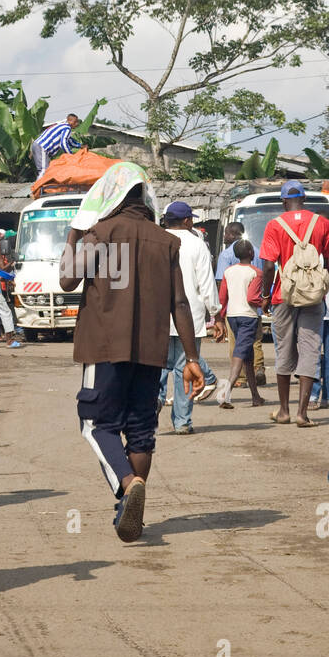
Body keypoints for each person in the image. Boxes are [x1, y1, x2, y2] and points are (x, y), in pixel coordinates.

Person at [59, 163, 203, 542]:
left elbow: (67, 279)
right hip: (151, 350)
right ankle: (131, 507)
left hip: (104, 346)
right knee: (140, 432)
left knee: (95, 424)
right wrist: (191, 359)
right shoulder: (167, 241)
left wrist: (76, 230)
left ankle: (126, 485)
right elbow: (180, 303)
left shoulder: (99, 234)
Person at [259, 180, 329, 427]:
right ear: (304, 198)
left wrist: (266, 295)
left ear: (283, 201)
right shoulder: (322, 223)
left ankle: (283, 411)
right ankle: (302, 413)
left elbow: (269, 265)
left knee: (284, 350)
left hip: (283, 296)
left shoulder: (274, 225)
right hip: (312, 296)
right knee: (310, 350)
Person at [159, 201, 220, 433]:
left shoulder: (156, 240)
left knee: (159, 364)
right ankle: (182, 422)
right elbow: (206, 282)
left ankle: (154, 401)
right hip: (190, 316)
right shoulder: (197, 244)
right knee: (185, 366)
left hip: (160, 315)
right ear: (187, 221)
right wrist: (215, 313)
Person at [214, 239, 265, 409]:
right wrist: (263, 303)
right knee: (239, 353)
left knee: (248, 357)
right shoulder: (256, 272)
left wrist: (219, 317)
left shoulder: (229, 271)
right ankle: (224, 393)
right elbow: (252, 298)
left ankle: (255, 396)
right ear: (252, 254)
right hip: (248, 316)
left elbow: (222, 297)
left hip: (232, 315)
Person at [31, 113, 84, 177]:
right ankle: (38, 186)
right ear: (69, 121)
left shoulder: (61, 125)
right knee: (44, 170)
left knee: (47, 169)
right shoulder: (67, 128)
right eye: (75, 122)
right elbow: (63, 143)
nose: (77, 124)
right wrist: (70, 155)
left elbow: (70, 141)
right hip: (42, 147)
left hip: (38, 146)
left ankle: (42, 185)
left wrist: (80, 146)